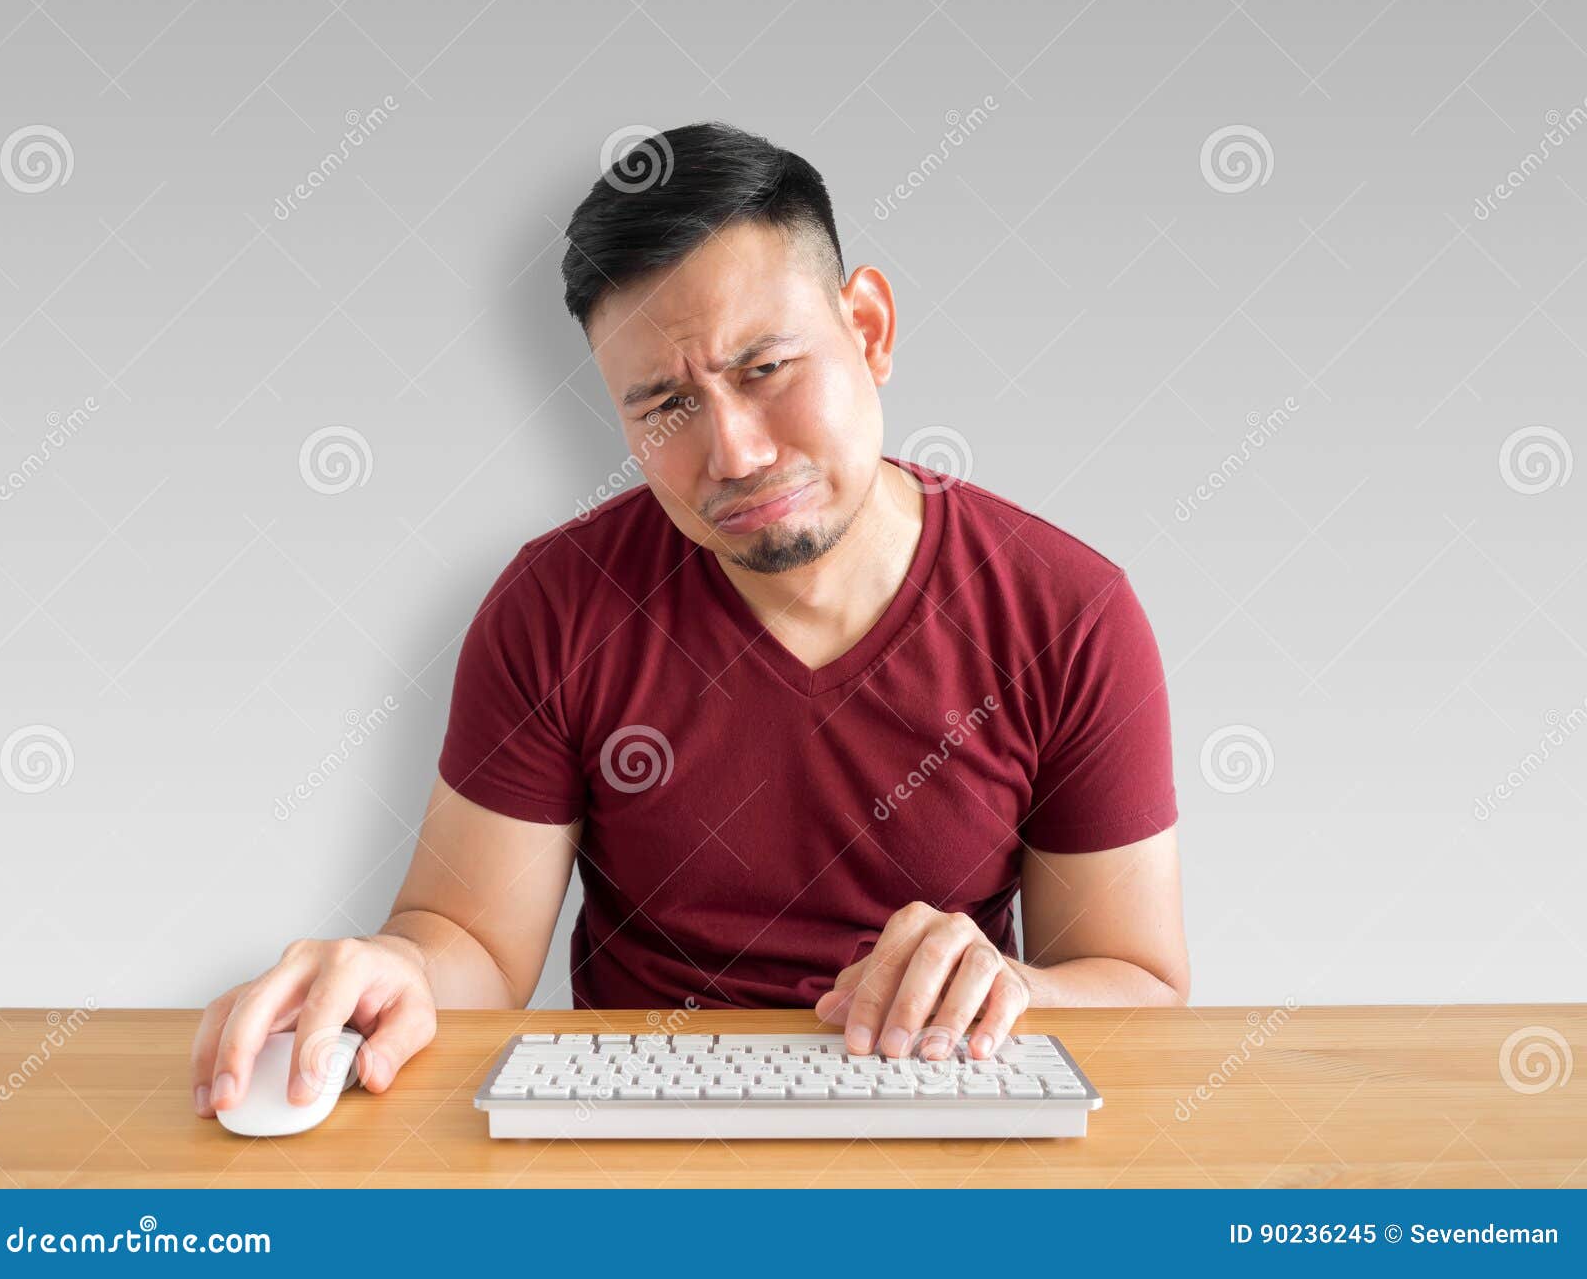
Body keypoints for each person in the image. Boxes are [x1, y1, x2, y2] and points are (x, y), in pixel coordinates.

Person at [190, 121, 1189, 1117]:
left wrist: (1019, 991)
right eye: (665, 407)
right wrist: (396, 968)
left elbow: (1138, 982)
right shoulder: (554, 607)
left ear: (869, 328)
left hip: (938, 1114)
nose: (736, 455)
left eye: (766, 369)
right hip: (635, 1134)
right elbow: (475, 945)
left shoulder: (1068, 613)